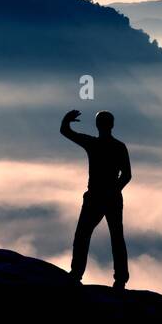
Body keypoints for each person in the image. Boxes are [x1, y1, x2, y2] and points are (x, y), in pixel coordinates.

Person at [60, 109, 131, 287]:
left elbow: (65, 131)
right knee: (115, 237)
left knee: (84, 235)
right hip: (108, 197)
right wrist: (115, 189)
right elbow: (127, 175)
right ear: (111, 125)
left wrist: (66, 120)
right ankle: (120, 279)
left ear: (98, 126)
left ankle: (77, 273)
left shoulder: (94, 144)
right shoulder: (116, 146)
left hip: (98, 197)